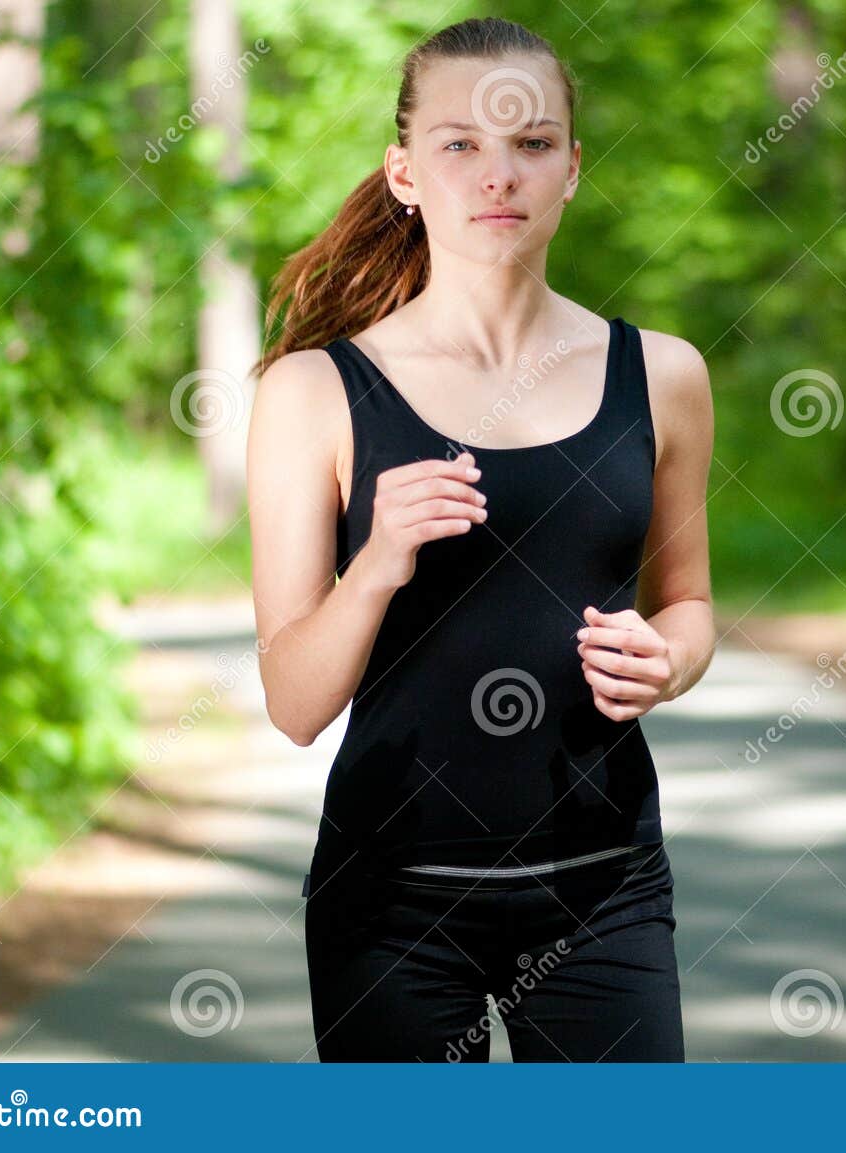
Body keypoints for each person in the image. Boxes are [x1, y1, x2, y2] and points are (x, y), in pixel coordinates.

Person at [245, 16, 715, 1062]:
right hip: (390, 905)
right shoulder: (314, 392)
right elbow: (292, 702)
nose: (497, 174)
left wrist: (668, 660)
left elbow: (688, 604)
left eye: (532, 143)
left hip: (607, 887)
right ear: (403, 171)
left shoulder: (664, 375)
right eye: (460, 143)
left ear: (572, 169)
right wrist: (374, 565)